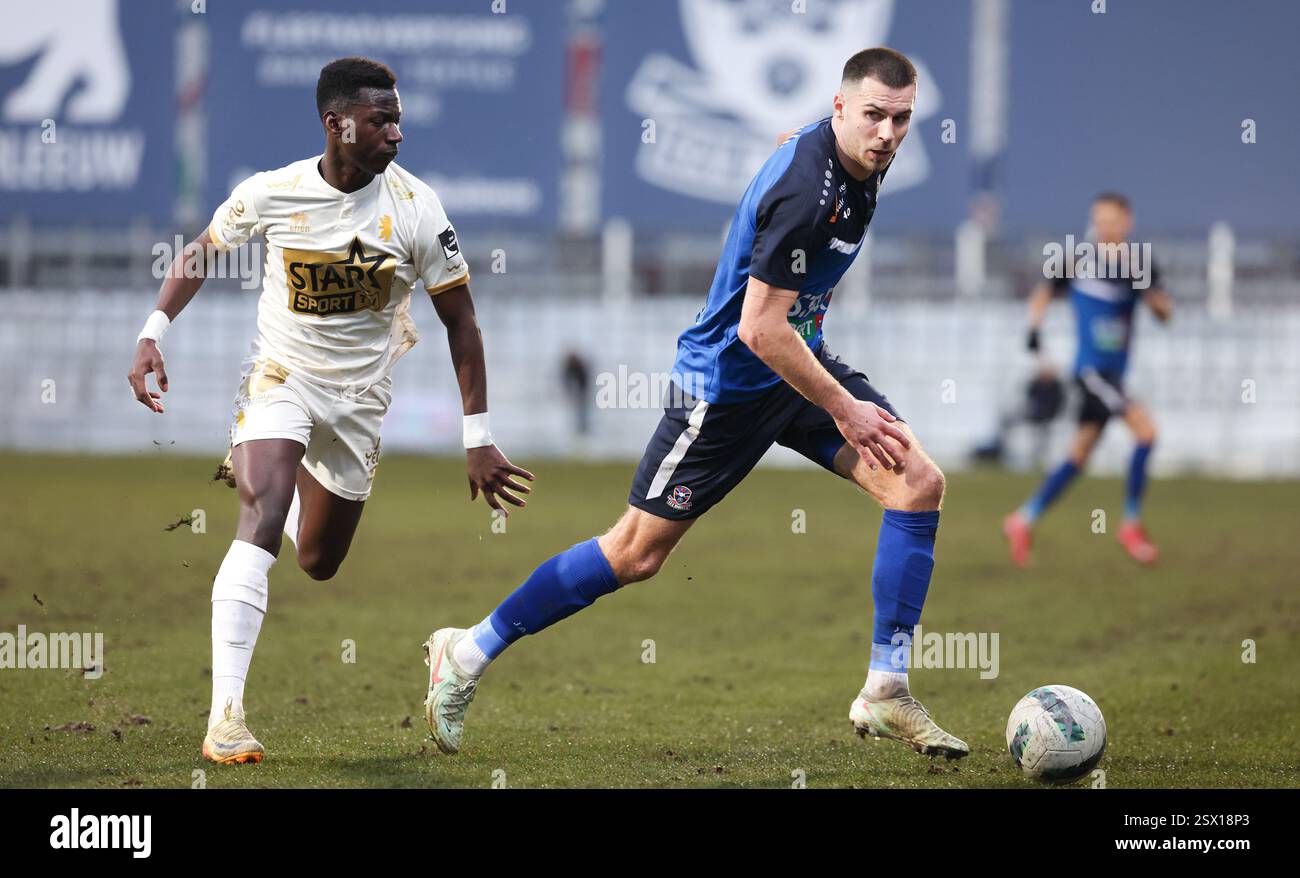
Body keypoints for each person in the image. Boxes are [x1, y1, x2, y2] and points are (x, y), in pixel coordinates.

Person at [422, 47, 969, 761]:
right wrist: (847, 409)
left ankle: (886, 688)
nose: (889, 133)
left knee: (917, 483)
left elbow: (788, 159)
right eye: (873, 115)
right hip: (727, 390)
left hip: (794, 367)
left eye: (901, 119)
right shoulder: (810, 193)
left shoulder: (856, 155)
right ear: (840, 109)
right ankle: (465, 654)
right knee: (635, 555)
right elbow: (758, 328)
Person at [126, 57, 533, 764]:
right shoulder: (275, 192)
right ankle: (226, 715)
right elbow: (200, 252)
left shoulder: (417, 210)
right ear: (336, 123)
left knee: (317, 559)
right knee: (259, 515)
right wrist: (151, 333)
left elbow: (462, 325)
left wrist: (479, 439)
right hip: (282, 373)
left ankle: (274, 481)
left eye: (398, 119)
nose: (397, 133)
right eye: (382, 120)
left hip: (359, 403)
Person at [1004, 192, 1172, 567]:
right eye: (1100, 220)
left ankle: (1022, 519)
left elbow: (1165, 312)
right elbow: (1044, 293)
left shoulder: (1139, 263)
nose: (1105, 228)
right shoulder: (1078, 259)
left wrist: (1144, 285)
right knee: (1146, 433)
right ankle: (1130, 523)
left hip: (1114, 372)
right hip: (1092, 372)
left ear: (1127, 222)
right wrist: (1033, 329)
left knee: (1078, 455)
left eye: (1113, 221)